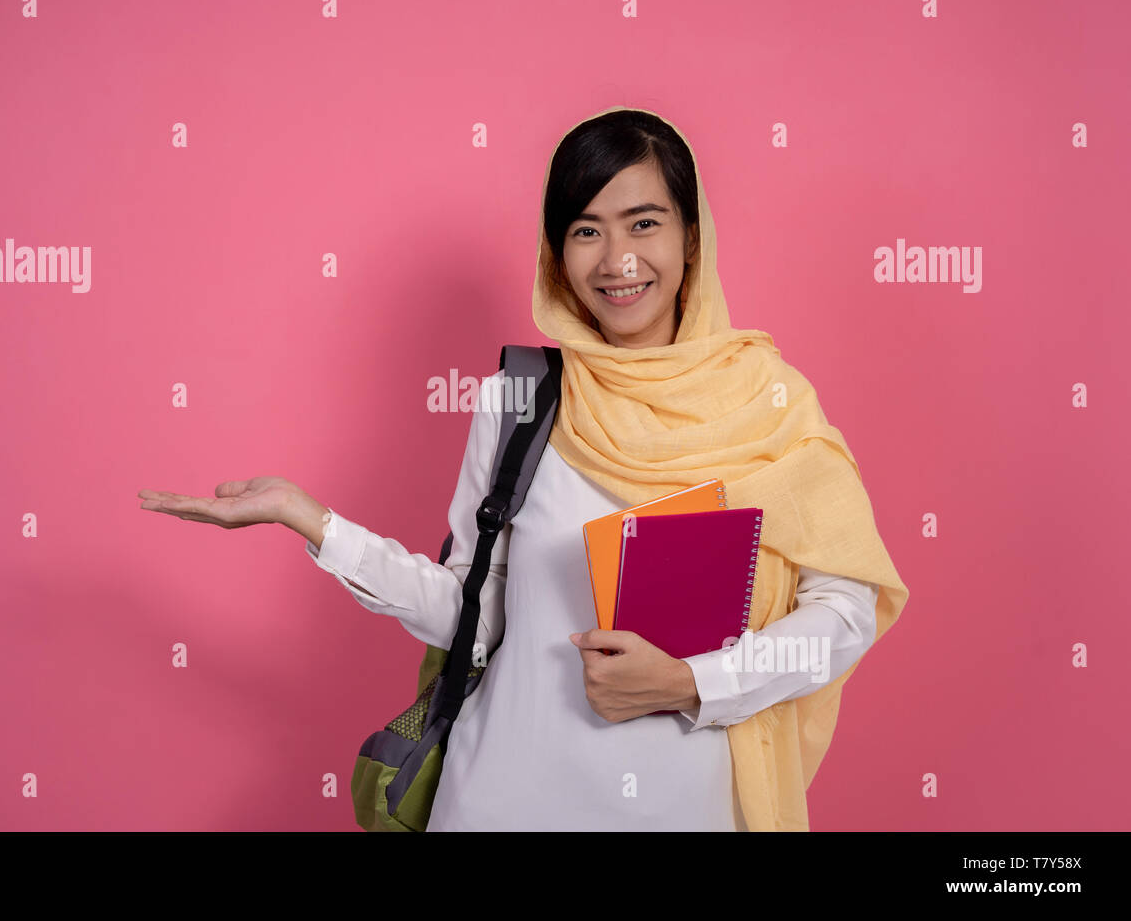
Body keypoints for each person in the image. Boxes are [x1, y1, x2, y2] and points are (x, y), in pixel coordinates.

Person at [137, 106, 910, 831]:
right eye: (586, 230)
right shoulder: (522, 397)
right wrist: (312, 521)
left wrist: (692, 683)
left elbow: (845, 611)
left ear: (691, 238)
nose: (618, 260)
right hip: (499, 800)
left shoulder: (769, 404)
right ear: (556, 251)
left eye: (644, 223)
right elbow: (470, 613)